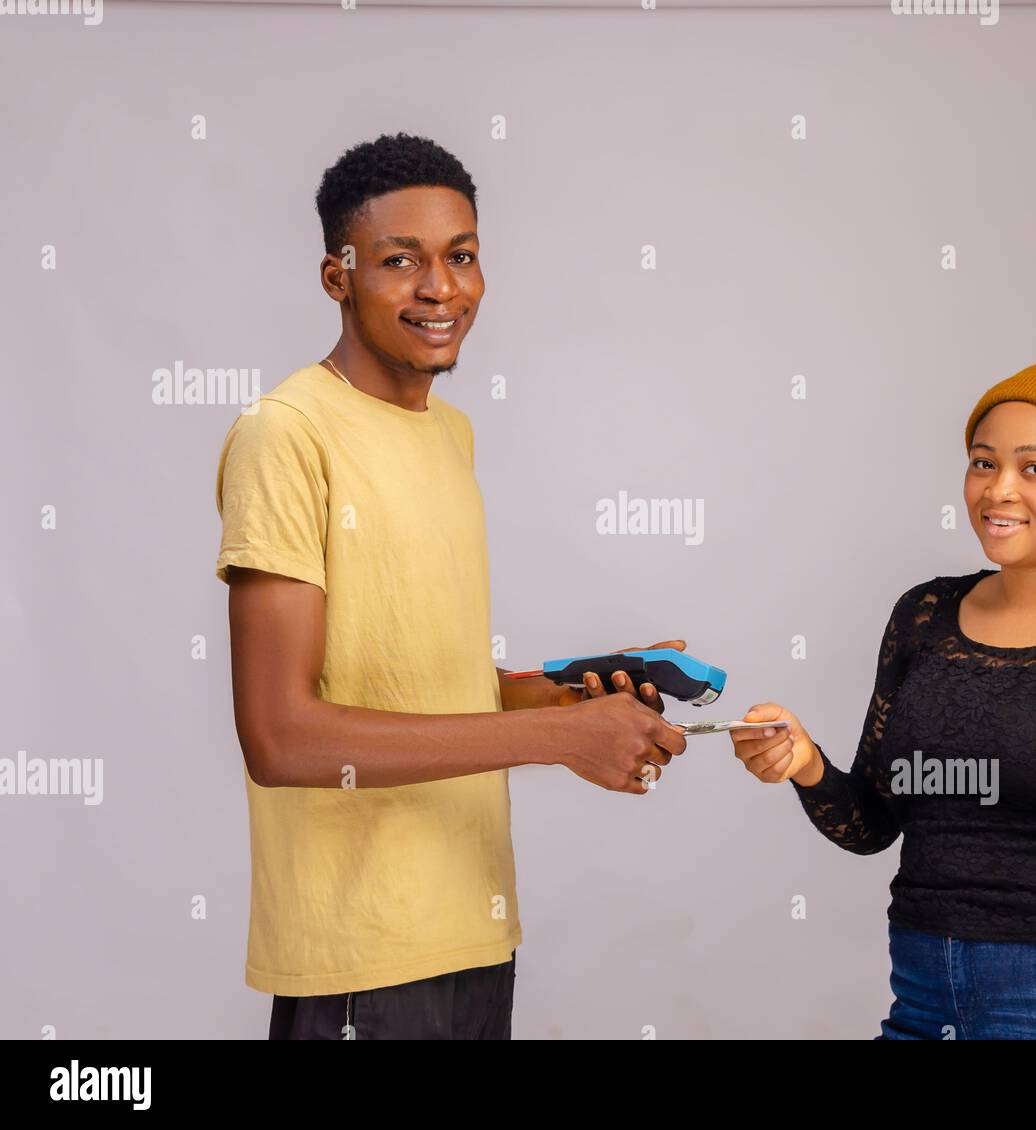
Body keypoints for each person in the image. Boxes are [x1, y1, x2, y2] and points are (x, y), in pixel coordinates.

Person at [214, 133, 686, 1040]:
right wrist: (559, 739)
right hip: (363, 956)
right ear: (338, 276)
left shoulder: (448, 433)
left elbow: (420, 690)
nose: (441, 288)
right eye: (401, 260)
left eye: (460, 256)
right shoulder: (287, 433)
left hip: (474, 928)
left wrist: (572, 691)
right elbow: (280, 736)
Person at [731, 357, 1036, 1040]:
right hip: (923, 990)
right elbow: (873, 825)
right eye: (983, 463)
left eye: (1034, 468)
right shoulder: (923, 616)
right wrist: (805, 764)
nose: (999, 490)